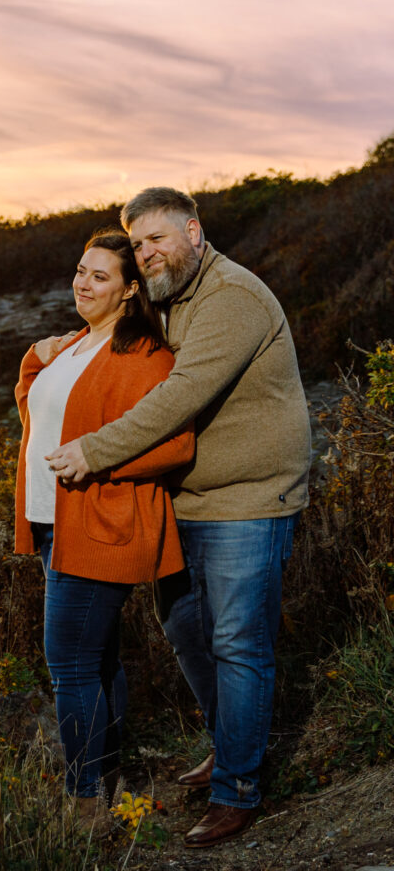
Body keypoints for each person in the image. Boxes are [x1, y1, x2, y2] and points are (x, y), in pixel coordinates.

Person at [47, 188, 311, 848]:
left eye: (157, 238)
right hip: (183, 499)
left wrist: (94, 451)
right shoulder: (168, 297)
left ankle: (238, 790)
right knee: (187, 633)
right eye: (137, 244)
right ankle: (231, 746)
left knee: (238, 643)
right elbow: (122, 343)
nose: (146, 253)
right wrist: (63, 349)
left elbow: (181, 394)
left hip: (248, 500)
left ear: (194, 231)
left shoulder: (232, 297)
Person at [13, 229, 195, 836]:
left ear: (130, 290)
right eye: (80, 271)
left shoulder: (145, 355)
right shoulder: (74, 345)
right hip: (53, 523)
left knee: (69, 665)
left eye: (99, 277)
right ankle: (106, 778)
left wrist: (99, 461)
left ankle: (86, 804)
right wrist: (36, 359)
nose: (83, 284)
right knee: (98, 659)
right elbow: (39, 415)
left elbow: (175, 443)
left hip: (100, 524)